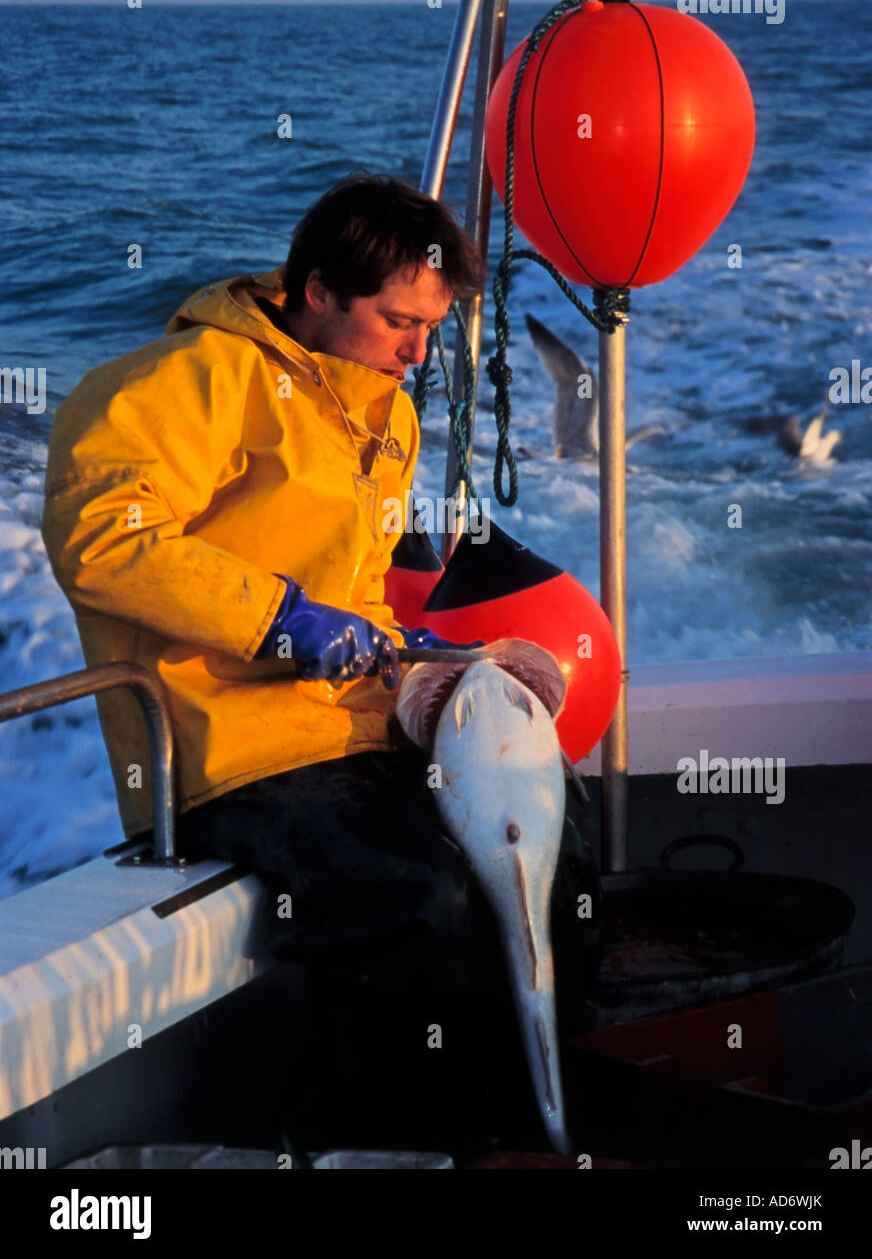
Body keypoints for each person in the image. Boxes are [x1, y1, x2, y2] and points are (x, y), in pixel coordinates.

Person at [41, 170, 601, 1153]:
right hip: (223, 749)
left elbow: (352, 590)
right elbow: (102, 540)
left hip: (350, 724)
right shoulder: (183, 382)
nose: (419, 350)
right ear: (316, 293)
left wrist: (417, 654)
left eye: (430, 326)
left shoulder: (388, 411)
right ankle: (390, 1141)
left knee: (569, 852)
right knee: (420, 895)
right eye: (397, 322)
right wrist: (279, 619)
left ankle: (535, 1128)